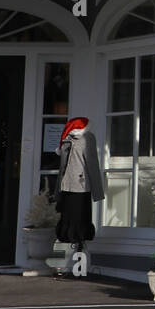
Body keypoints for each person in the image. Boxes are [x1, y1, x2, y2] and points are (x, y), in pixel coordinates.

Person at [54, 117, 104, 276]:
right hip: (67, 187)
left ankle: (79, 268)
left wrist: (97, 191)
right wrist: (58, 191)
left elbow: (92, 163)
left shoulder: (87, 138)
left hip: (81, 188)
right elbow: (62, 168)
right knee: (68, 223)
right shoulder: (67, 140)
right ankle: (71, 266)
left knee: (79, 224)